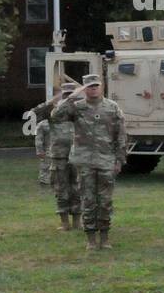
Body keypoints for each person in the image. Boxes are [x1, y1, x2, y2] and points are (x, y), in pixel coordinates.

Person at [49, 74, 128, 251]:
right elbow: (55, 116)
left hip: (106, 160)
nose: (93, 89)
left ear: (101, 87)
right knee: (88, 200)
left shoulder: (112, 107)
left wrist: (119, 159)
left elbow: (121, 134)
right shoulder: (77, 108)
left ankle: (105, 237)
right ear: (84, 88)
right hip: (84, 161)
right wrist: (70, 97)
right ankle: (91, 239)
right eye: (89, 86)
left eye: (96, 85)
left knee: (105, 201)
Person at [27, 82, 82, 230]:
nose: (70, 99)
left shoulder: (80, 112)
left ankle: (77, 221)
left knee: (78, 189)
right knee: (60, 189)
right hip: (59, 157)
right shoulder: (53, 114)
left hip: (78, 157)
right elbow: (33, 113)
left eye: (72, 96)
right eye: (66, 96)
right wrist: (55, 99)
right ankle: (65, 223)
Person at [35, 118, 51, 187]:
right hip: (48, 149)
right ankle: (44, 182)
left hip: (62, 149)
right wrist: (39, 151)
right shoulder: (43, 124)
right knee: (45, 166)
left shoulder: (66, 122)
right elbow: (39, 139)